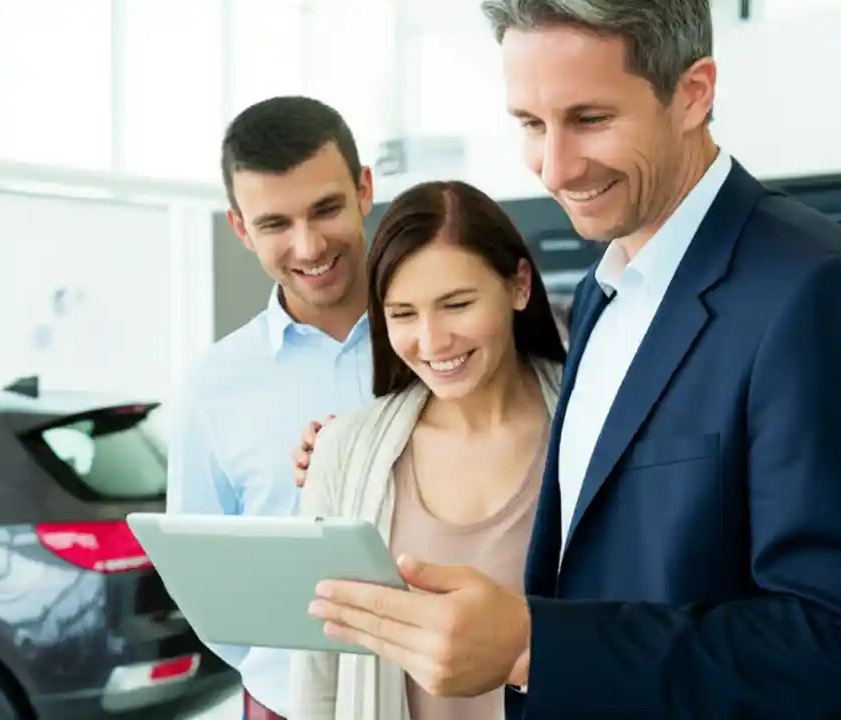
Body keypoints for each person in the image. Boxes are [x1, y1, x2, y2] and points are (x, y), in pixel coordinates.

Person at [296, 0, 841, 717]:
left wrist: (534, 643)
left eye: (590, 119)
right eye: (529, 123)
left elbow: (825, 641)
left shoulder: (809, 287)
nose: (554, 168)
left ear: (693, 94)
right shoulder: (600, 293)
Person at [291, 180, 566, 720]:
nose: (433, 341)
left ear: (519, 286)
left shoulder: (595, 427)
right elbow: (318, 665)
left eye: (457, 304)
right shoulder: (344, 451)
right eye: (403, 314)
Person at [165, 95, 376, 720]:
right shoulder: (212, 386)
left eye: (326, 209)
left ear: (365, 189)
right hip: (289, 704)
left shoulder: (441, 345)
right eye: (275, 224)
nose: (309, 246)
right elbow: (206, 586)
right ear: (240, 228)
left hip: (444, 694)